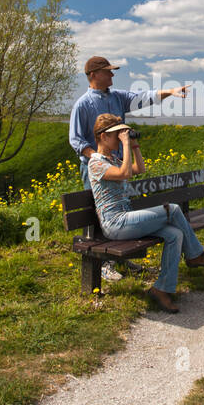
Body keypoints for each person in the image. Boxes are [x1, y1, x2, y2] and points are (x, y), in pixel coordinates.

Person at [69, 56, 188, 283]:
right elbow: (76, 140)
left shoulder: (117, 97)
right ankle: (104, 264)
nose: (112, 75)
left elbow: (143, 98)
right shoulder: (83, 104)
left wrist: (170, 91)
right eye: (108, 72)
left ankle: (122, 260)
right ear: (94, 75)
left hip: (118, 165)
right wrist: (97, 159)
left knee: (122, 208)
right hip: (97, 168)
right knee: (99, 215)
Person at [86, 113, 204, 313]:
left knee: (176, 235)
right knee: (172, 210)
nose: (119, 138)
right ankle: (194, 255)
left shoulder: (112, 159)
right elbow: (125, 174)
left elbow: (139, 169)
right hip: (115, 224)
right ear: (104, 137)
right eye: (116, 135)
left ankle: (162, 289)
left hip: (126, 218)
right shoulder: (96, 163)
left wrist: (134, 146)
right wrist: (124, 144)